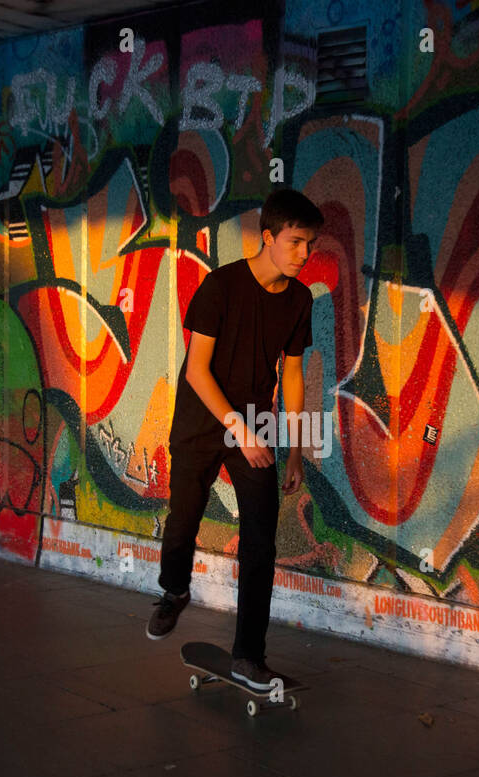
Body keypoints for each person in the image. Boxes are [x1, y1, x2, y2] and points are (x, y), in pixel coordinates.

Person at [146, 188, 323, 690]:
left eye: (310, 245)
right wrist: (240, 431)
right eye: (295, 242)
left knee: (261, 543)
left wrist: (295, 450)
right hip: (203, 423)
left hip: (258, 428)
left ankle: (248, 656)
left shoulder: (298, 300)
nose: (303, 255)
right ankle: (174, 590)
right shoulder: (220, 287)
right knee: (183, 521)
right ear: (268, 237)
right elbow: (197, 371)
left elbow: (292, 375)